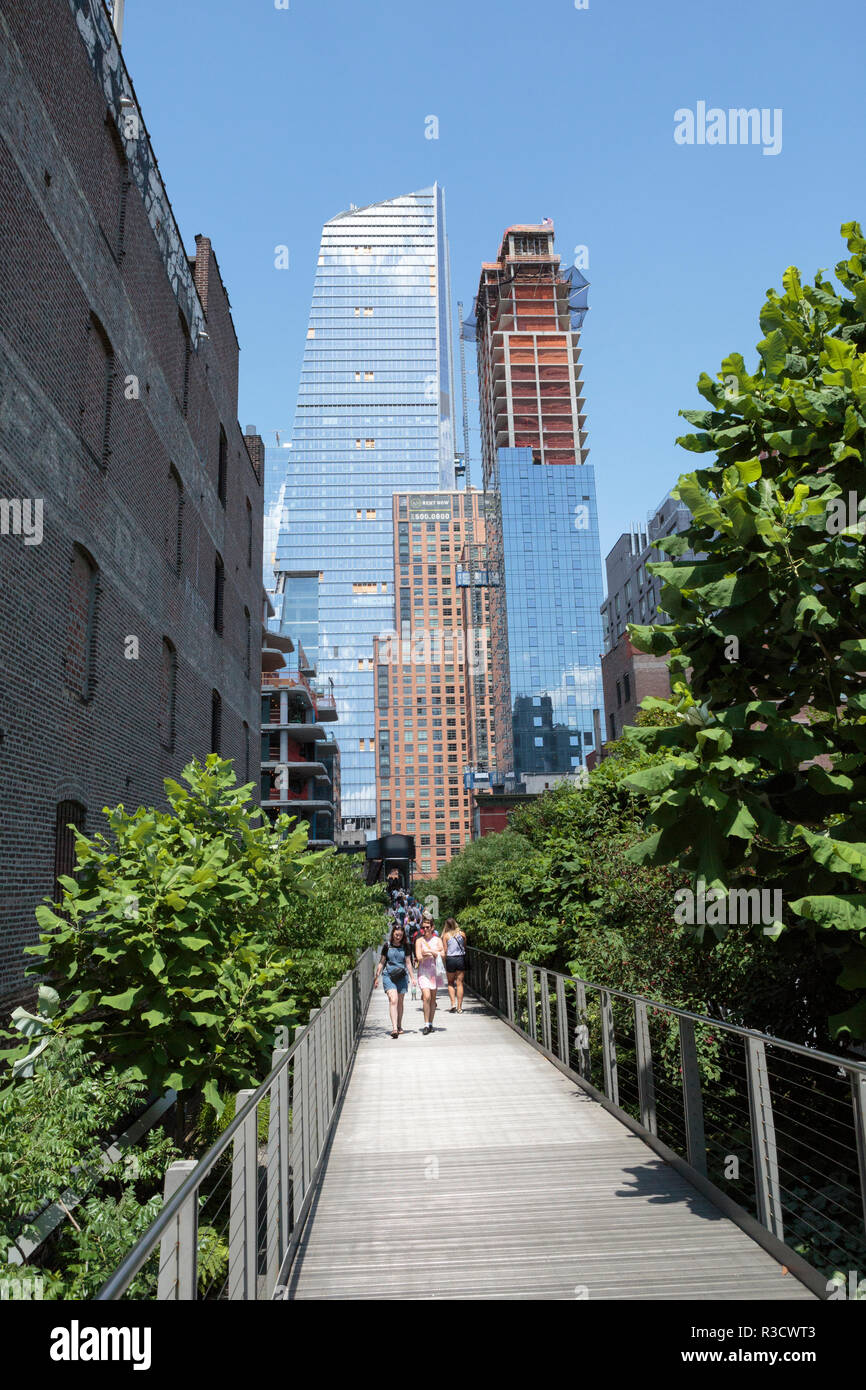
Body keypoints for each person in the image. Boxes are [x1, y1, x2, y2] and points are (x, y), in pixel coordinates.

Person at [374, 923, 417, 1038]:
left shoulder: (406, 946)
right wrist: (376, 977)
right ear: (392, 934)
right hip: (388, 975)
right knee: (394, 1000)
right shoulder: (387, 946)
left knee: (400, 1002)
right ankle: (394, 1029)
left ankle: (399, 1025)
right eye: (396, 935)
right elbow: (382, 962)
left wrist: (413, 977)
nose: (398, 937)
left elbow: (408, 962)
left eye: (400, 936)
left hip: (402, 976)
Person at [414, 911, 446, 1035]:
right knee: (426, 996)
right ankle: (426, 1024)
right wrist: (433, 953)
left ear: (432, 927)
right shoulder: (419, 941)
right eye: (423, 927)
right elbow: (419, 957)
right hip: (423, 972)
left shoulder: (438, 940)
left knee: (433, 999)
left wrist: (428, 952)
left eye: (427, 927)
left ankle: (431, 1023)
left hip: (435, 973)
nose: (425, 929)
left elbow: (443, 955)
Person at [442, 918, 467, 1014]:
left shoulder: (446, 936)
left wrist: (444, 962)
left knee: (450, 982)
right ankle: (459, 1007)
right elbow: (464, 946)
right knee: (460, 983)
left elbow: (445, 950)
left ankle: (453, 1004)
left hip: (450, 959)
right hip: (460, 958)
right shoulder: (462, 934)